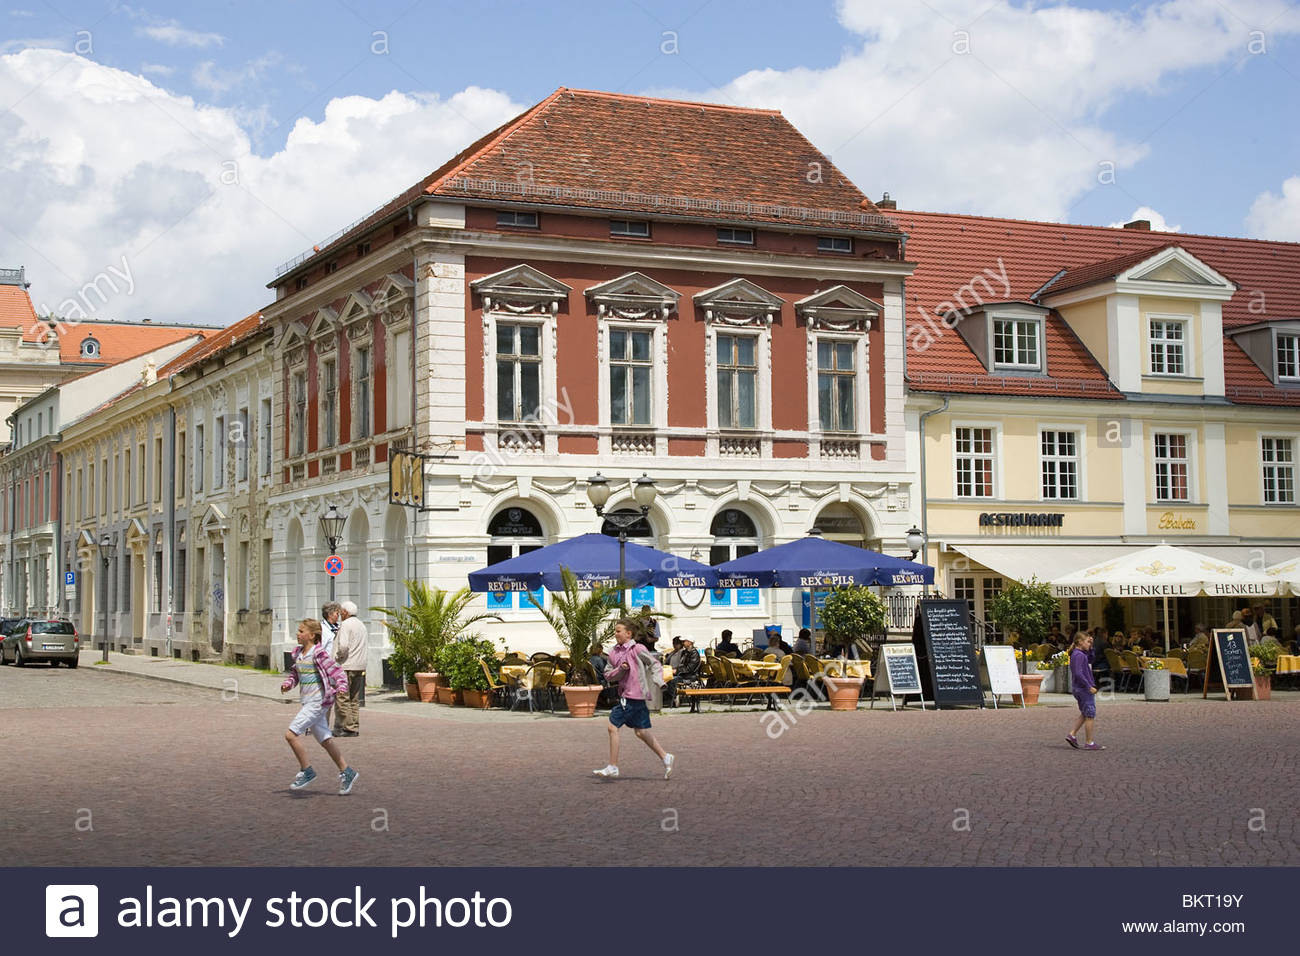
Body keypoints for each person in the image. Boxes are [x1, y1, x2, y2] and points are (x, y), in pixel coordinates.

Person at [280, 618, 359, 793]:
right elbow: (296, 674)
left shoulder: (319, 653)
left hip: (317, 703)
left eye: (301, 631)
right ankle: (347, 771)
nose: (297, 634)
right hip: (307, 702)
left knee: (290, 735)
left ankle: (307, 770)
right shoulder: (299, 653)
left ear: (312, 635)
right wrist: (288, 684)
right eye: (298, 631)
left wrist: (341, 688)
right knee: (326, 740)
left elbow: (337, 672)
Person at [593, 618, 674, 780]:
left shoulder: (637, 649)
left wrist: (659, 681)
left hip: (633, 695)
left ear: (628, 634)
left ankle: (613, 766)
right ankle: (666, 757)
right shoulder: (613, 652)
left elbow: (654, 664)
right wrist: (620, 670)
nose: (615, 634)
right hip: (627, 695)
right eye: (615, 631)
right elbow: (608, 675)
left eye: (618, 631)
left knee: (612, 727)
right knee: (641, 731)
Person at [331, 600, 368, 737]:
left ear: (345, 612)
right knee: (354, 698)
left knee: (342, 697)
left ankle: (342, 727)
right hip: (359, 665)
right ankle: (353, 726)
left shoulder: (345, 625)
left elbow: (343, 646)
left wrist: (338, 657)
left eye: (341, 612)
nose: (340, 615)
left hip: (346, 665)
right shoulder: (362, 625)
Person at [1065, 631, 1104, 751]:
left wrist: (1091, 647)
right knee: (1090, 715)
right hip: (1083, 689)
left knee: (1085, 713)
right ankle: (1089, 742)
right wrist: (1089, 686)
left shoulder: (1079, 654)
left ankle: (1072, 734)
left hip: (1079, 688)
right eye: (1087, 642)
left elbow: (1091, 659)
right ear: (1080, 642)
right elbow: (1078, 673)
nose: (1089, 644)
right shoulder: (1079, 655)